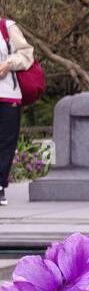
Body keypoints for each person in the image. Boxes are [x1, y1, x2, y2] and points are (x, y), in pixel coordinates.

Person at [0, 14, 34, 205]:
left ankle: (0, 185)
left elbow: (27, 54)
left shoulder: (7, 27)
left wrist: (9, 63)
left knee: (6, 141)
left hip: (8, 94)